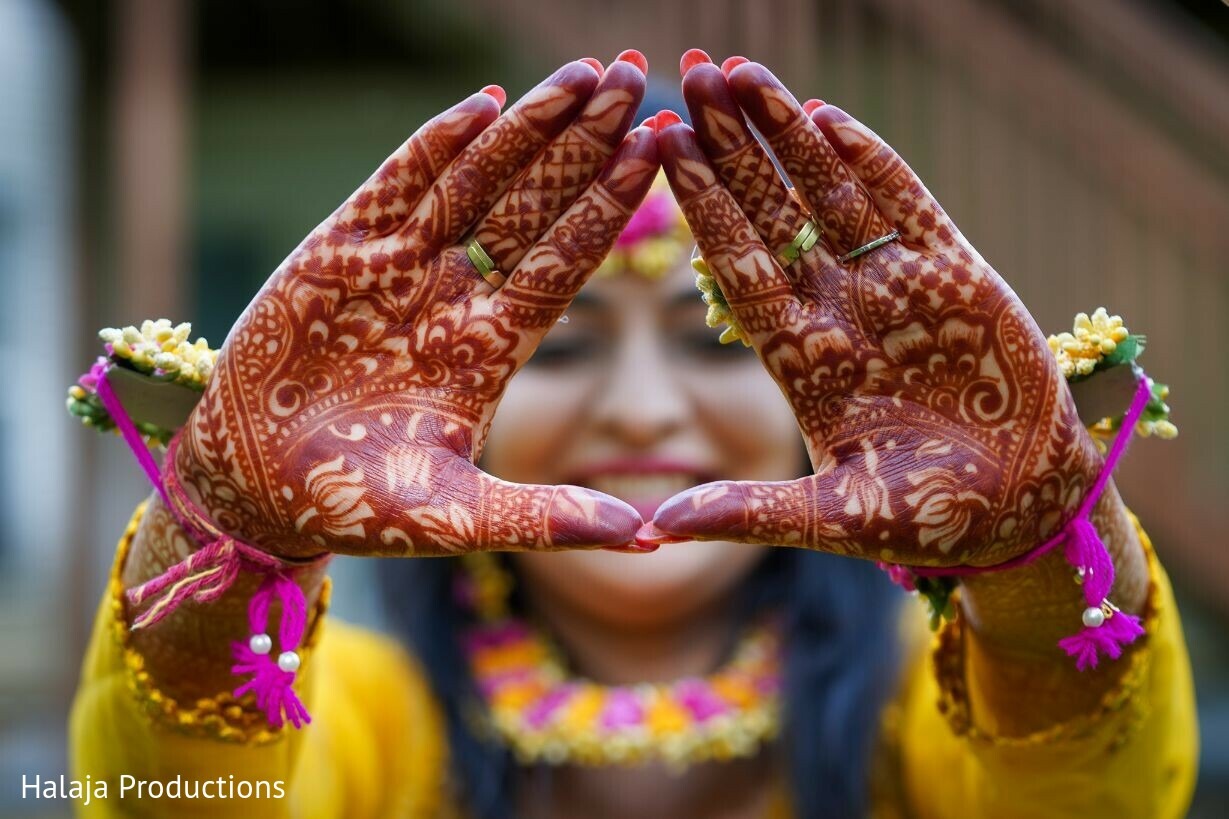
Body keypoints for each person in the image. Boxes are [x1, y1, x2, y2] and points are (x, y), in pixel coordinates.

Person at [69, 50, 1197, 818]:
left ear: (831, 399)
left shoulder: (923, 713)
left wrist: (1044, 570)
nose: (645, 412)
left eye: (716, 347)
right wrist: (222, 552)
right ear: (451, 411)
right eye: (558, 349)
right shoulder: (369, 718)